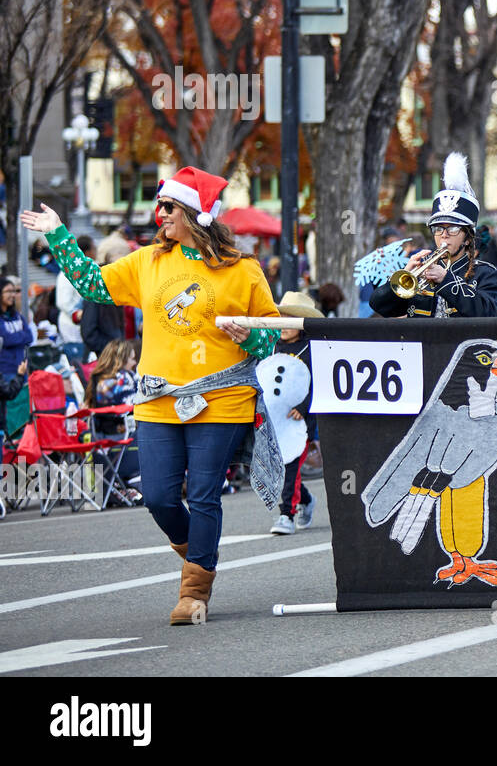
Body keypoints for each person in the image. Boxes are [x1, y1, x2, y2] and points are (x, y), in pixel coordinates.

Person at [21, 166, 280, 625]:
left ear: (197, 216)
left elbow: (269, 337)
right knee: (158, 496)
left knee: (203, 494)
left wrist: (248, 337)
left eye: (169, 208)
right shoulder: (148, 261)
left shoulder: (244, 270)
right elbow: (93, 284)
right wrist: (59, 234)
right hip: (158, 399)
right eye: (159, 206)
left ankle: (195, 590)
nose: (158, 214)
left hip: (222, 398)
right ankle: (198, 553)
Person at [370, 153, 497, 319]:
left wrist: (446, 279)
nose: (444, 235)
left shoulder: (486, 273)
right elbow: (380, 306)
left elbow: (487, 312)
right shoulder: (422, 273)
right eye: (438, 229)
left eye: (453, 229)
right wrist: (405, 274)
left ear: (468, 237)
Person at [269, 291, 320, 535]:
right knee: (282, 469)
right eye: (282, 318)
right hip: (274, 420)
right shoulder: (271, 347)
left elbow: (320, 383)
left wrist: (304, 406)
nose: (285, 324)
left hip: (301, 421)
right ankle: (306, 499)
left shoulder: (312, 349)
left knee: (291, 467)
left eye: (292, 319)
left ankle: (286, 515)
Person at [84, 337, 142, 500]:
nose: (134, 362)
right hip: (118, 438)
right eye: (131, 358)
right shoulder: (120, 378)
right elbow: (134, 402)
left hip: (107, 439)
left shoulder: (101, 378)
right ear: (121, 359)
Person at [55, 235, 95, 345]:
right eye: (94, 249)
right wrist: (77, 314)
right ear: (87, 252)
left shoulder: (90, 269)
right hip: (72, 326)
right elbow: (63, 301)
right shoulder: (67, 273)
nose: (95, 252)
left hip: (86, 324)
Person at [0, 277, 34, 385]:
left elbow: (30, 337)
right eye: (8, 291)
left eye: (14, 291)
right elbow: (6, 339)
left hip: (21, 369)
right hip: (5, 371)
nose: (13, 295)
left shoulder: (17, 316)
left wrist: (14, 337)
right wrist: (21, 336)